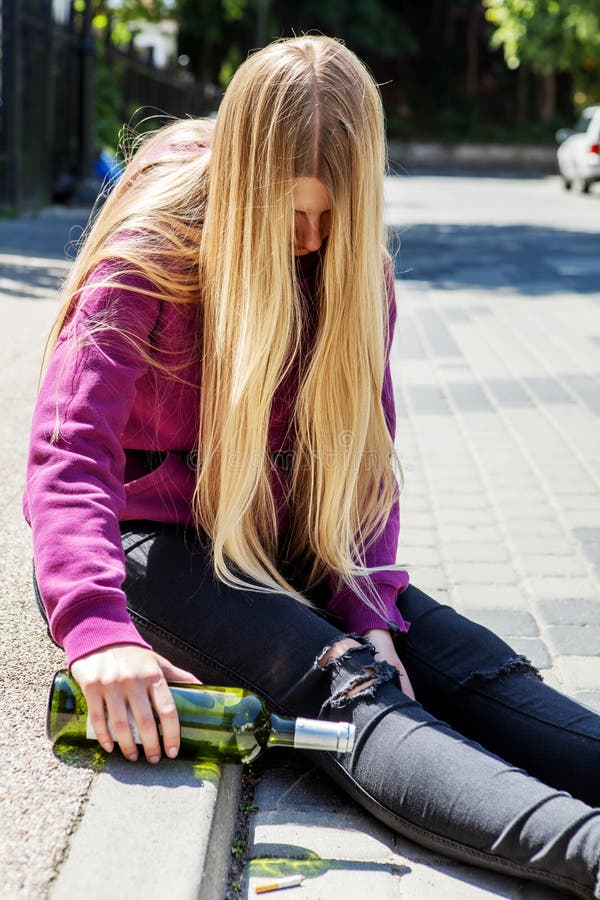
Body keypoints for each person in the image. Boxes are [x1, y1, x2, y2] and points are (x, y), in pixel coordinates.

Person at [25, 35, 600, 899]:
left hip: (283, 540)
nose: (312, 239)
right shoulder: (146, 255)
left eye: (334, 216)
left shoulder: (353, 266)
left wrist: (368, 605)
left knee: (462, 659)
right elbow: (69, 453)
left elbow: (362, 468)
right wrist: (97, 631)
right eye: (291, 215)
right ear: (243, 179)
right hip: (153, 543)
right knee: (350, 684)